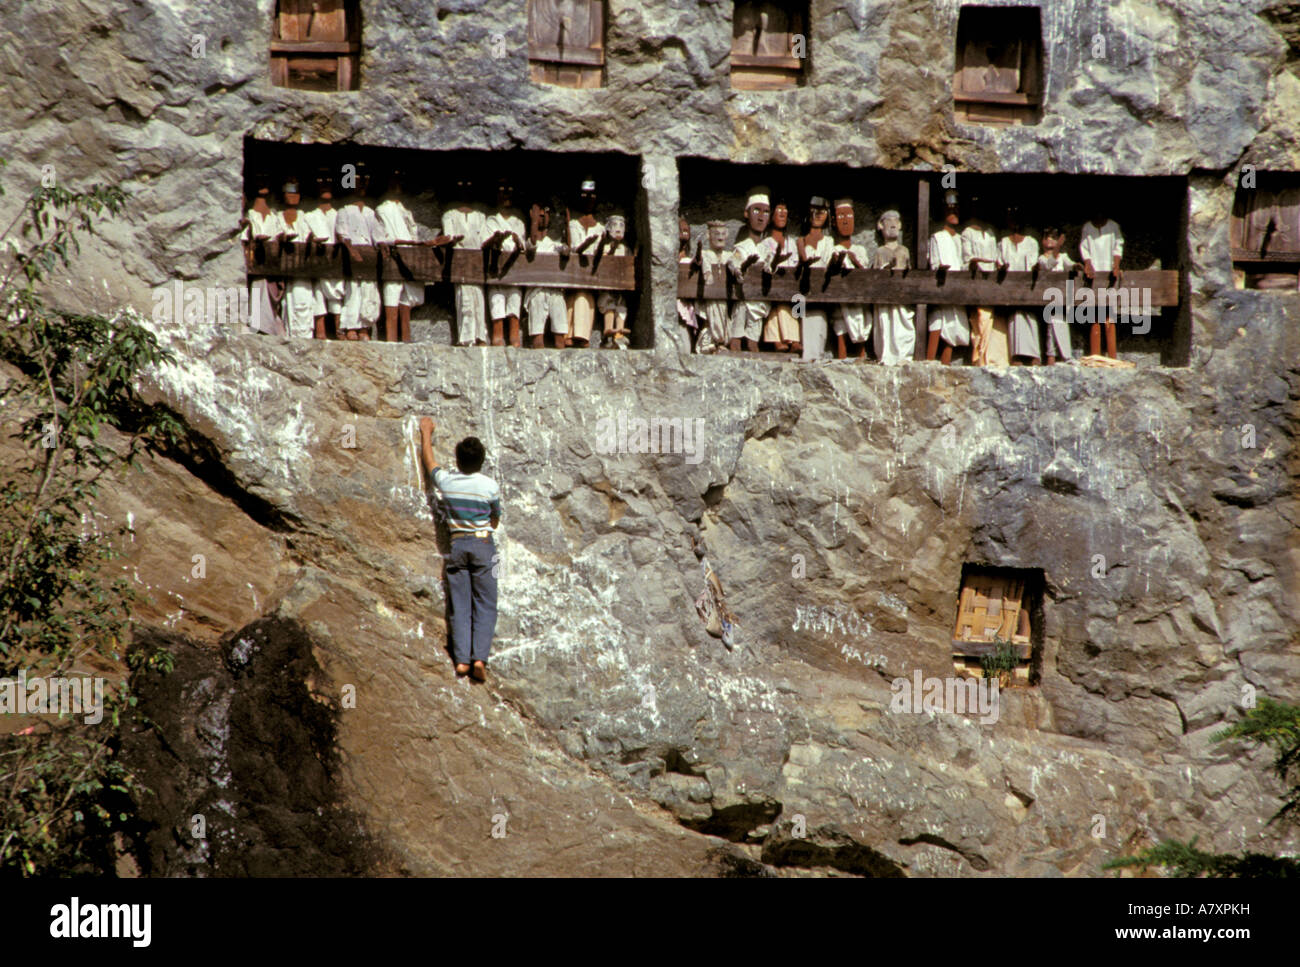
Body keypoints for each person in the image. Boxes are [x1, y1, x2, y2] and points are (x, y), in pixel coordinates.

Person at [419, 416, 502, 682]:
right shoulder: (490, 486)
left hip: (457, 546)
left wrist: (426, 432)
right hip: (484, 545)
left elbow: (430, 465)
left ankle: (462, 661)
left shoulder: (449, 483)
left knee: (460, 606)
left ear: (457, 461)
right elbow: (495, 519)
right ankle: (480, 658)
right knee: (486, 604)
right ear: (482, 460)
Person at [375, 172, 429, 343]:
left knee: (406, 302)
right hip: (392, 259)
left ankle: (406, 339)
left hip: (408, 259)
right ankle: (391, 340)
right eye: (393, 181)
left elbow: (413, 235)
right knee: (391, 300)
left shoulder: (405, 211)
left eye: (399, 181)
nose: (396, 185)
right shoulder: (382, 209)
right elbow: (381, 237)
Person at [334, 171, 384, 341]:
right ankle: (350, 327)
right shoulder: (345, 211)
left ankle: (365, 327)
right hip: (352, 258)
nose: (361, 185)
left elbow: (378, 234)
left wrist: (382, 245)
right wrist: (351, 250)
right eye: (356, 181)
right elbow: (342, 233)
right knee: (353, 292)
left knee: (369, 292)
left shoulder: (370, 212)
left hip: (368, 259)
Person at [728, 187, 778, 353]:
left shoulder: (768, 247)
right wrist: (738, 269)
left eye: (765, 212)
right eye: (756, 210)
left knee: (753, 339)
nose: (761, 216)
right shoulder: (742, 246)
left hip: (761, 298)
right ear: (747, 213)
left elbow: (773, 266)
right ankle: (736, 339)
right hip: (743, 296)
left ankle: (752, 340)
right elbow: (733, 261)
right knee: (742, 309)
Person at [442, 176, 488, 346]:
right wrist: (453, 240)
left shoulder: (480, 216)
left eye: (468, 186)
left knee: (478, 299)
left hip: (476, 261)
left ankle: (480, 336)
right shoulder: (450, 214)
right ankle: (466, 337)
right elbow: (449, 235)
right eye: (461, 186)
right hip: (460, 261)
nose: (465, 190)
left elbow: (484, 239)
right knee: (465, 300)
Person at [926, 189, 970, 364]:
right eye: (951, 210)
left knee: (953, 326)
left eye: (957, 210)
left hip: (958, 289)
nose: (955, 214)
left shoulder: (960, 239)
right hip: (941, 286)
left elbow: (963, 261)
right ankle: (929, 361)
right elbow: (934, 263)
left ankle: (946, 363)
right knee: (937, 322)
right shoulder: (937, 237)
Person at [484, 177, 526, 347]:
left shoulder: (518, 222)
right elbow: (484, 244)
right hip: (495, 269)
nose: (506, 195)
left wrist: (517, 242)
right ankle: (498, 336)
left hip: (514, 269)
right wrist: (496, 241)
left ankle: (514, 337)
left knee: (514, 301)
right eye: (502, 190)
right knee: (497, 301)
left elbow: (522, 247)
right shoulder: (490, 221)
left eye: (509, 190)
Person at [871, 209, 915, 365]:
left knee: (901, 322)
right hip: (885, 296)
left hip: (901, 296)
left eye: (895, 221)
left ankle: (903, 354)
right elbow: (875, 275)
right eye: (888, 221)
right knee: (886, 322)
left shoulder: (904, 250)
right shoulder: (879, 252)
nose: (892, 224)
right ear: (880, 226)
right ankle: (887, 355)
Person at [522, 201, 569, 348]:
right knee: (538, 338)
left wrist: (568, 225)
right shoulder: (528, 241)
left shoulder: (553, 243)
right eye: (539, 215)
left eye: (545, 215)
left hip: (554, 289)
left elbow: (567, 250)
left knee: (560, 337)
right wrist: (534, 221)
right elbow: (531, 246)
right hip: (536, 291)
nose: (542, 218)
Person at [828, 198, 870, 359]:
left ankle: (861, 351)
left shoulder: (859, 249)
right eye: (840, 217)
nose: (845, 221)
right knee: (840, 316)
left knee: (860, 314)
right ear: (833, 221)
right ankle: (842, 352)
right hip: (841, 297)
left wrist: (856, 262)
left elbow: (865, 272)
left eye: (849, 216)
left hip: (859, 296)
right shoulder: (833, 248)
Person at [997, 208, 1040, 365]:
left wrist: (1035, 269)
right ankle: (1017, 355)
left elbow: (1034, 263)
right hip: (1010, 287)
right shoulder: (1003, 243)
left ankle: (1034, 354)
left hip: (1027, 286)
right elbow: (999, 262)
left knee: (1028, 316)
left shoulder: (1031, 242)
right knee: (1015, 317)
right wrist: (1001, 268)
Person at [304, 175, 343, 339]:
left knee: (338, 294)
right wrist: (311, 240)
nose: (325, 186)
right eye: (321, 182)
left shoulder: (340, 214)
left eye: (328, 182)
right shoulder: (309, 216)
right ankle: (320, 330)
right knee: (318, 291)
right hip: (318, 262)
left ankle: (339, 329)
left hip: (336, 262)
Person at [1080, 212, 1124, 358]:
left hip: (1109, 273)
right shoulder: (1087, 227)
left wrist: (1116, 265)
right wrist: (1088, 264)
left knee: (1109, 317)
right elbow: (1084, 247)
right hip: (1094, 274)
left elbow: (1118, 245)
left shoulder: (1113, 226)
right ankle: (1095, 355)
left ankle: (1112, 356)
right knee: (1095, 318)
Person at [566, 177, 603, 349]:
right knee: (573, 296)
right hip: (574, 272)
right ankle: (568, 333)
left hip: (590, 275)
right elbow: (571, 246)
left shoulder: (600, 228)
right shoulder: (572, 224)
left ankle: (581, 335)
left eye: (592, 196)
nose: (588, 199)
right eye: (584, 195)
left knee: (584, 296)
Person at [761, 198, 800, 352]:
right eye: (779, 210)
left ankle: (794, 338)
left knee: (799, 301)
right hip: (773, 287)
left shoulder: (793, 242)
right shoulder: (765, 243)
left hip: (792, 288)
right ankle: (787, 339)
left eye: (785, 210)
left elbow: (796, 263)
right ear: (771, 215)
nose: (783, 213)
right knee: (777, 304)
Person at [1038, 227, 1075, 364]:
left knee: (1058, 323)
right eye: (1047, 237)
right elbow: (1048, 265)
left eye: (1053, 238)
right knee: (1051, 325)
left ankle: (1057, 354)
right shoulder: (1042, 258)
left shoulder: (1063, 256)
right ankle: (1052, 355)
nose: (1050, 240)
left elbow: (1069, 264)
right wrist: (1057, 247)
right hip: (1048, 295)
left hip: (1061, 295)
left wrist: (1076, 266)